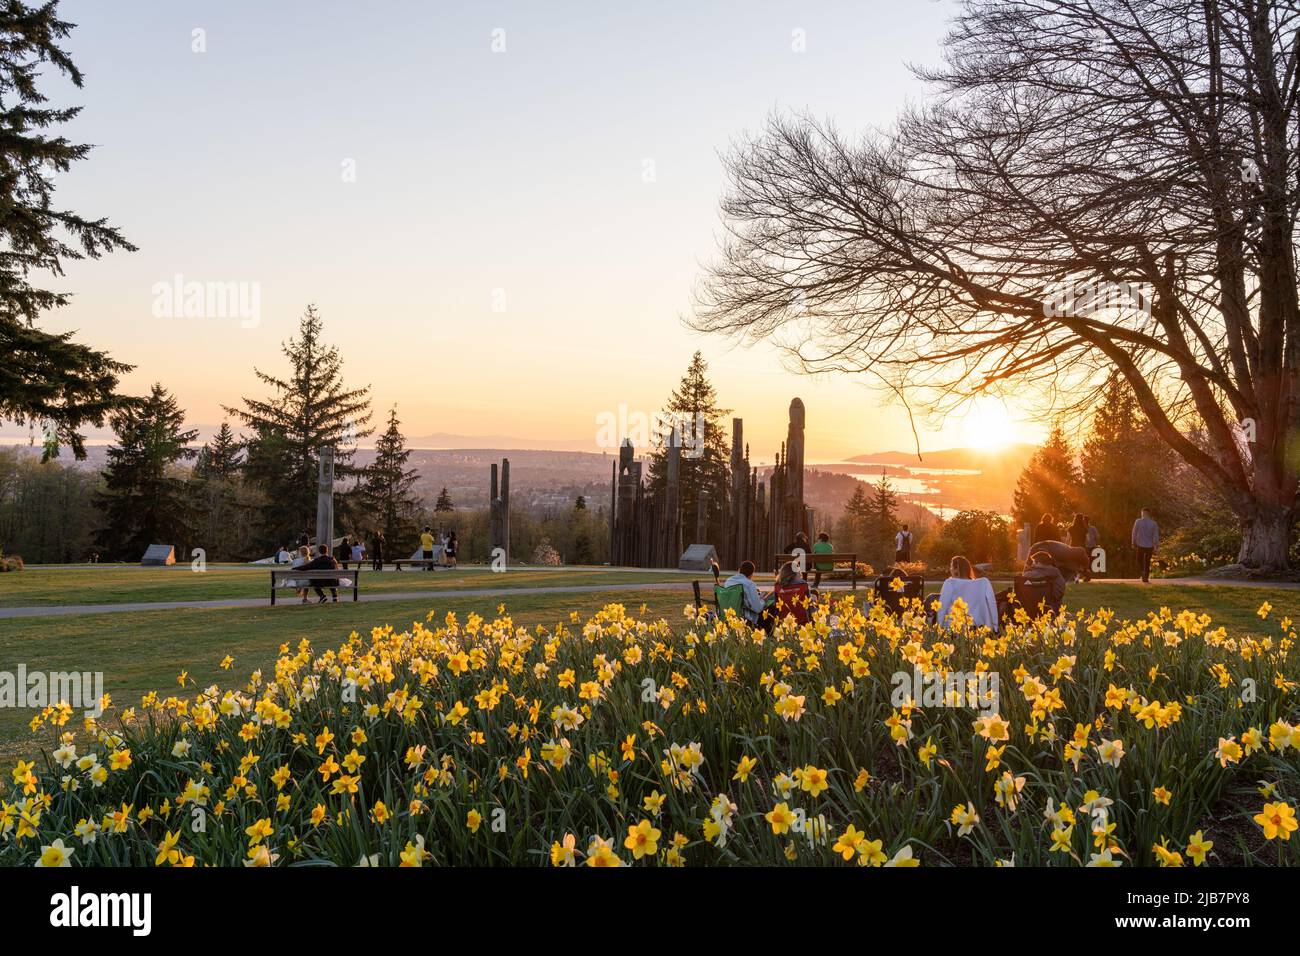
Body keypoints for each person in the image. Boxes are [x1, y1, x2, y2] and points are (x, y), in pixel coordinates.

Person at [935, 555, 999, 631]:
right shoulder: (983, 583)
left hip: (955, 628)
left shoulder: (950, 583)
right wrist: (995, 626)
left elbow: (942, 606)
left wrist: (939, 627)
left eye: (951, 567)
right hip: (979, 627)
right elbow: (992, 603)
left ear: (956, 569)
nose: (950, 569)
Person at [722, 560, 770, 631]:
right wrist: (764, 599)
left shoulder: (728, 581)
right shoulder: (749, 584)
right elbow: (757, 608)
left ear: (739, 570)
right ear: (751, 574)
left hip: (728, 617)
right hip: (745, 620)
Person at [1131, 508, 1160, 583]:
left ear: (1143, 513)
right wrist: (1156, 545)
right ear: (1149, 513)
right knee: (1147, 561)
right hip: (1150, 545)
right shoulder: (1153, 523)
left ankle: (1142, 570)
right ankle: (1146, 577)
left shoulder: (1138, 521)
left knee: (1139, 559)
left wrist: (1133, 542)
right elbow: (1156, 535)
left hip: (1140, 544)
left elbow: (1134, 532)